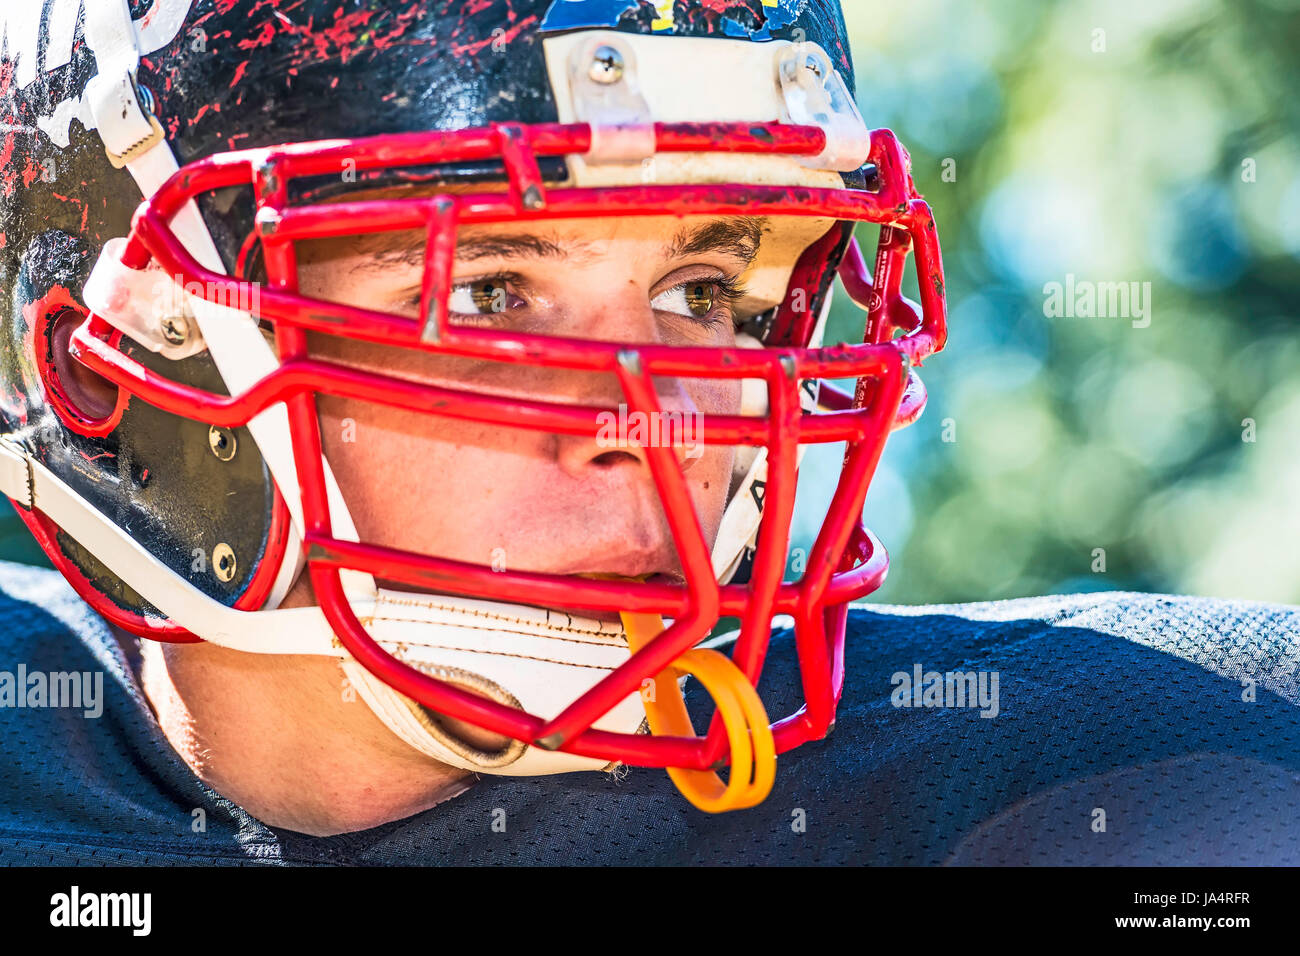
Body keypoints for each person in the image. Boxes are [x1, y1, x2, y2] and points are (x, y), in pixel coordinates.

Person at [1, 0, 1297, 864]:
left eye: (704, 296)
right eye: (490, 293)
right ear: (113, 374)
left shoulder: (1143, 768)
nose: (657, 423)